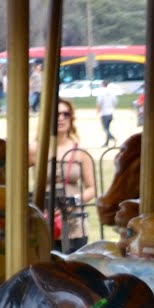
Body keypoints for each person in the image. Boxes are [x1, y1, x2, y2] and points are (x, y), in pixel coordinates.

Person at [47, 100, 96, 251]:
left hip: (74, 222)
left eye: (65, 114)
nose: (61, 118)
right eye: (57, 114)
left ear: (71, 118)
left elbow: (92, 188)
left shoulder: (81, 152)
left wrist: (72, 202)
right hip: (46, 219)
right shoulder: (38, 150)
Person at [97, 80, 117, 147]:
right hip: (111, 112)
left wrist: (98, 110)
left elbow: (99, 102)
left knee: (105, 128)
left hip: (104, 113)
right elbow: (115, 101)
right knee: (108, 128)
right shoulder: (111, 91)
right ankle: (106, 143)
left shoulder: (101, 91)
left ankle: (112, 138)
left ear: (103, 84)